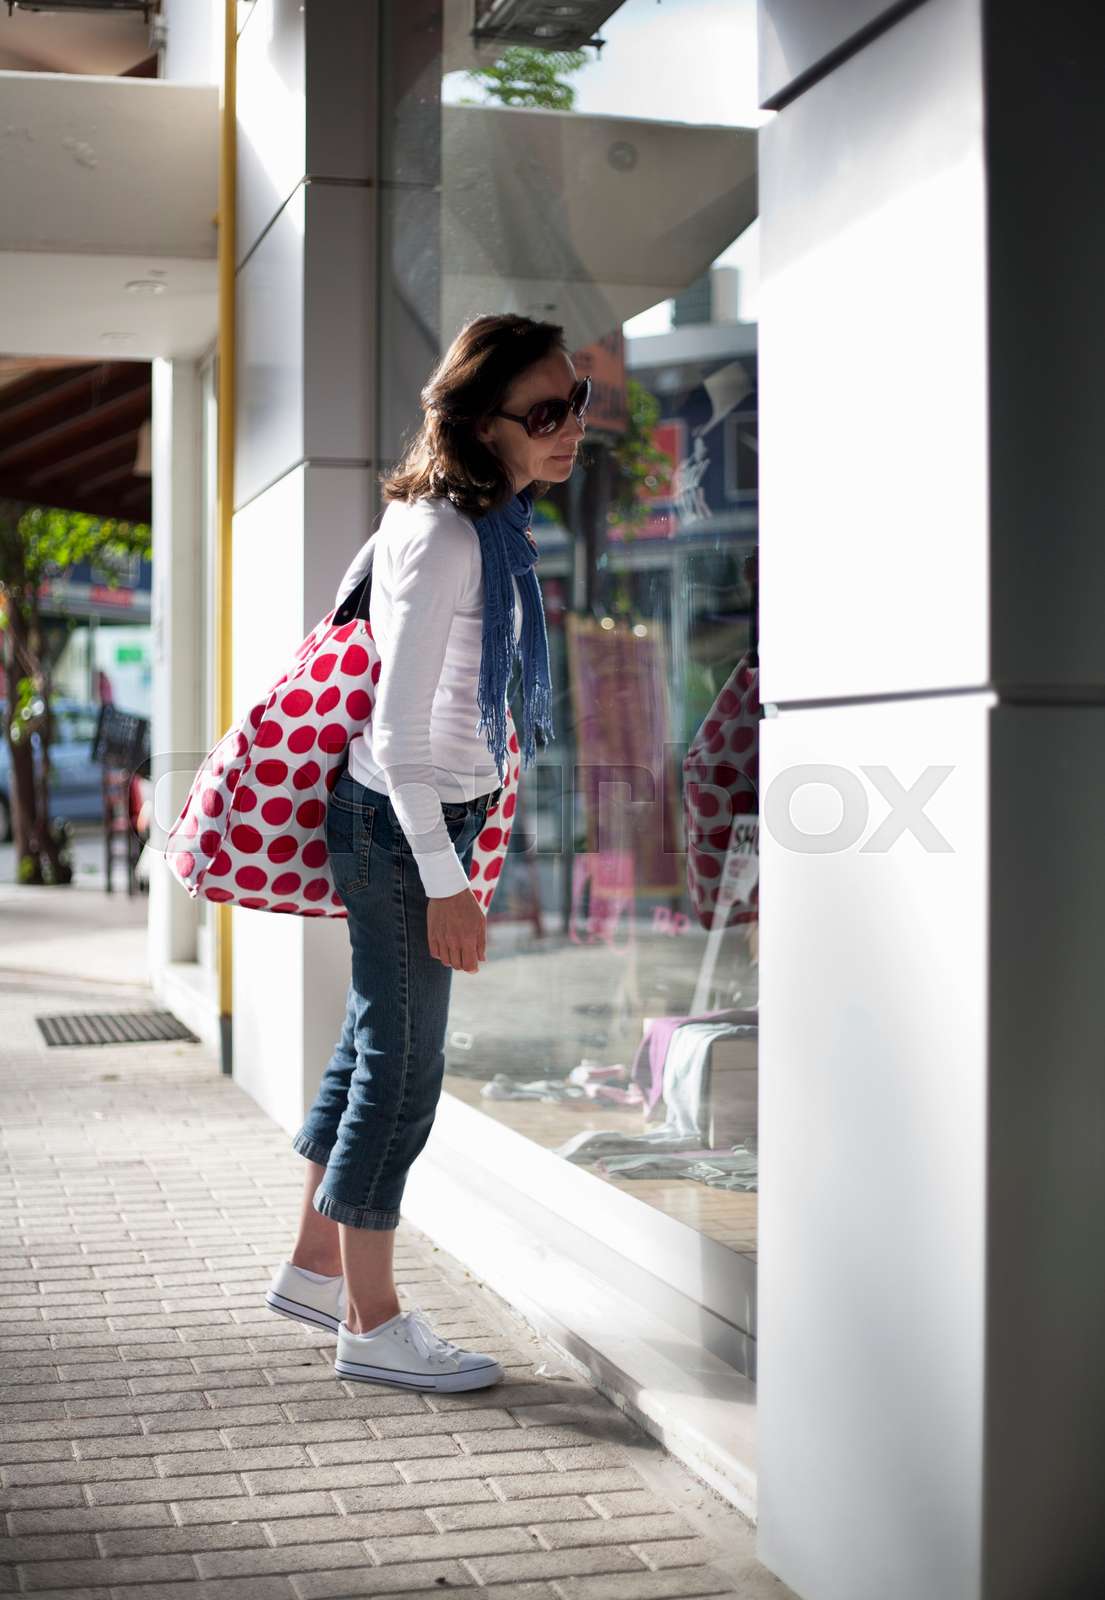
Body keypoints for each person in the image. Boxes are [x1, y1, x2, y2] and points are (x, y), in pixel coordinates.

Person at [264, 313, 589, 1391]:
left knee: (370, 1051)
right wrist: (447, 885)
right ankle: (374, 1320)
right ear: (480, 420)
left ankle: (318, 1268)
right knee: (402, 1077)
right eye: (544, 412)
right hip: (403, 831)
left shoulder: (488, 525)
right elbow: (399, 734)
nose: (568, 426)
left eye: (575, 400)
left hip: (428, 822)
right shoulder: (448, 536)